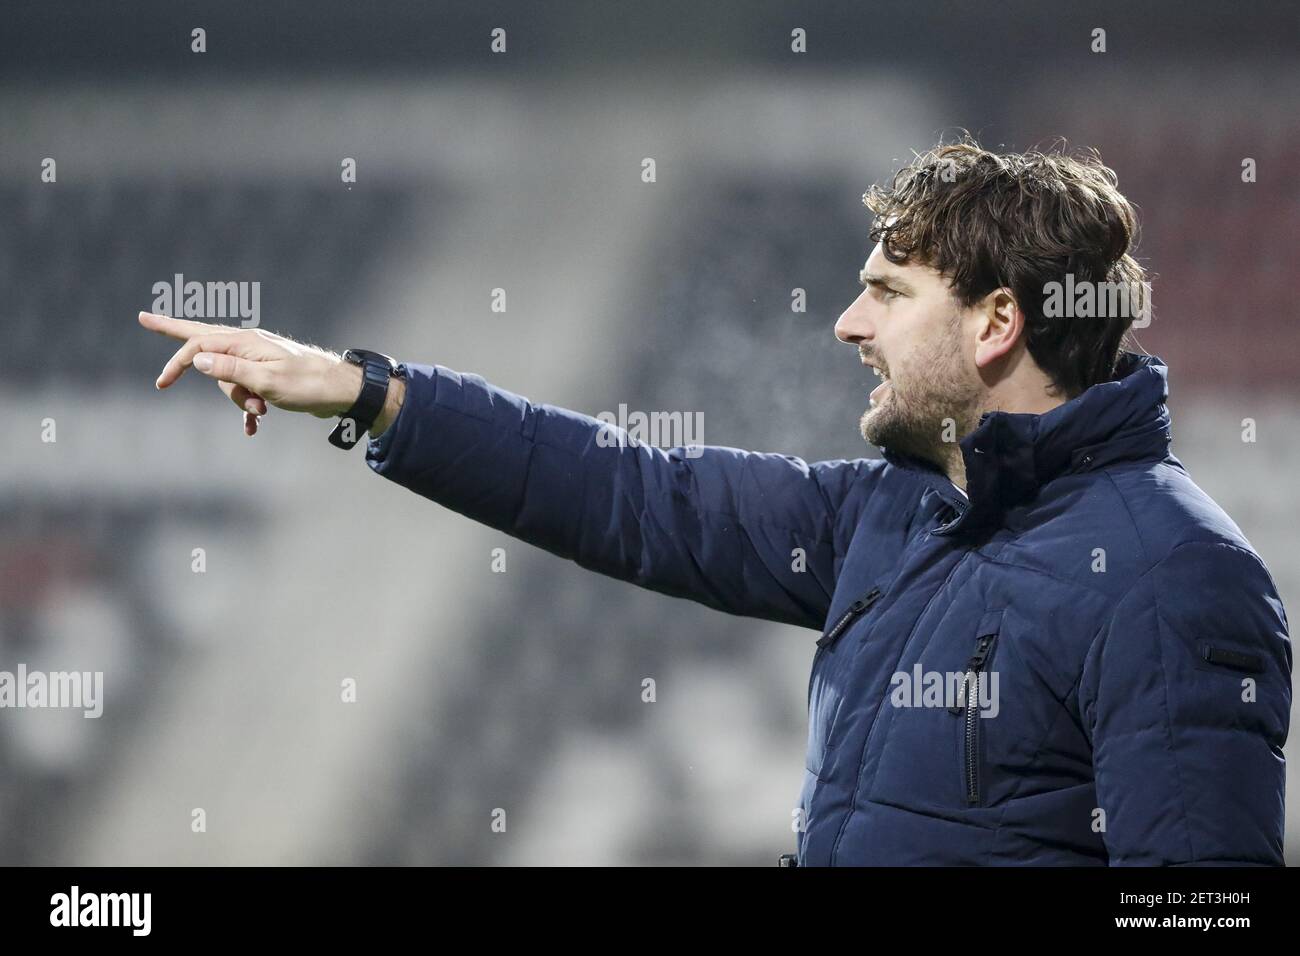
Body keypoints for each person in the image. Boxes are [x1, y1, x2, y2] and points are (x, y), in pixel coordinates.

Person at [140, 140, 1291, 866]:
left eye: (886, 293)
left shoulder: (1167, 575)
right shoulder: (893, 513)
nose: (847, 323)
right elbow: (627, 489)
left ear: (996, 323)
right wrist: (369, 393)